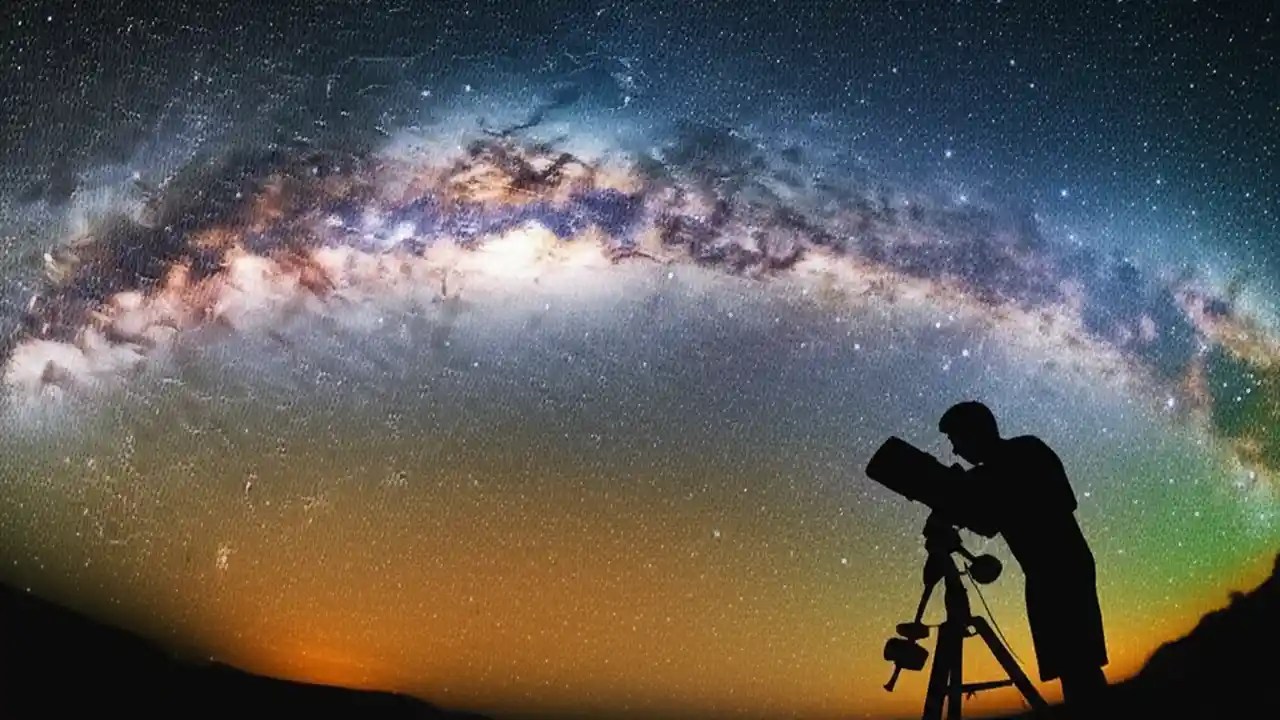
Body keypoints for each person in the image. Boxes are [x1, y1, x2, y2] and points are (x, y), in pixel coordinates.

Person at [935, 400, 1109, 711]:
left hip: (1060, 572)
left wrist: (974, 493)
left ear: (974, 433)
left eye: (956, 441)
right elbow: (990, 521)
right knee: (1074, 668)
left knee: (1078, 667)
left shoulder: (1022, 454)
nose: (955, 451)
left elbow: (1050, 504)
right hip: (1050, 573)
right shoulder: (1010, 462)